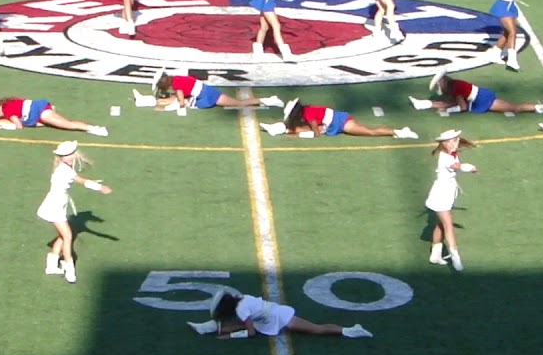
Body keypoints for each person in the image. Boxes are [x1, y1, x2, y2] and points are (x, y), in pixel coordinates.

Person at [36, 140, 112, 283]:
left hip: (57, 204)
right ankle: (68, 267)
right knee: (68, 236)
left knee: (62, 236)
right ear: (61, 156)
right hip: (55, 205)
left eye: (71, 153)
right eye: (66, 155)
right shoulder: (65, 170)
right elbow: (82, 181)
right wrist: (100, 188)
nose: (69, 156)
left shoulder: (63, 167)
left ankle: (51, 265)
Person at [188, 289, 372, 338]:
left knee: (316, 329)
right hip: (270, 315)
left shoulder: (241, 309)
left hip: (279, 317)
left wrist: (229, 337)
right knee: (236, 324)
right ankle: (204, 328)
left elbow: (250, 332)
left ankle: (351, 331)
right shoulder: (242, 299)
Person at [424, 129, 476, 272]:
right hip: (441, 193)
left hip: (448, 192)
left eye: (454, 141)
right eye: (448, 142)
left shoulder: (452, 153)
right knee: (448, 225)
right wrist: (470, 168)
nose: (452, 144)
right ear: (443, 144)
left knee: (441, 223)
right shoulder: (445, 157)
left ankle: (435, 254)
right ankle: (455, 257)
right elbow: (457, 166)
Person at [410, 71, 543, 115]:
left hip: (483, 99)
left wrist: (449, 110)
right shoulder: (454, 86)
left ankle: (541, 107)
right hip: (478, 97)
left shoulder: (455, 88)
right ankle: (422, 104)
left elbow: (462, 107)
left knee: (513, 107)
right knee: (447, 102)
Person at [262, 98, 418, 138]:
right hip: (335, 121)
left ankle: (399, 132)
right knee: (295, 129)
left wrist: (296, 135)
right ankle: (277, 129)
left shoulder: (308, 115)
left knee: (369, 132)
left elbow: (316, 133)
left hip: (341, 122)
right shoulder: (307, 111)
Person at [133, 70, 284, 111]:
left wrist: (178, 102)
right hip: (208, 91)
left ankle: (145, 101)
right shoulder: (178, 79)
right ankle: (267, 100)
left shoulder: (177, 85)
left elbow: (180, 99)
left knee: (174, 101)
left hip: (203, 98)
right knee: (238, 102)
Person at [0, 95, 110, 136]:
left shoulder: (8, 110)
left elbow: (18, 126)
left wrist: (1, 126)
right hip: (39, 112)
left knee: (68, 125)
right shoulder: (11, 103)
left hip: (41, 113)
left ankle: (94, 128)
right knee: (66, 123)